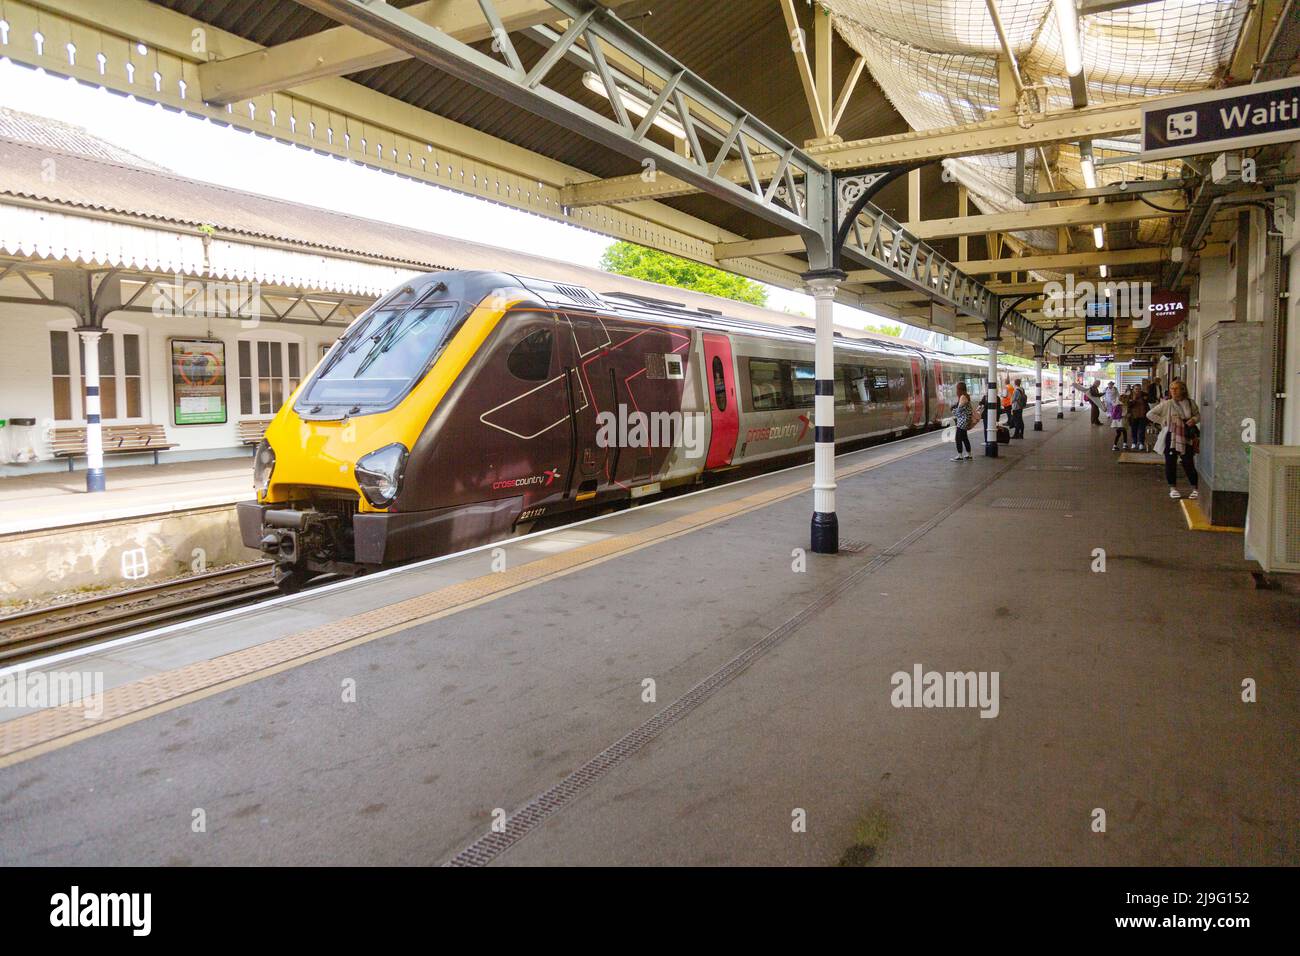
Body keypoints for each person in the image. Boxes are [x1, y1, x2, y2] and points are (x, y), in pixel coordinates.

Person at [1147, 380, 1201, 499]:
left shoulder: (1190, 403)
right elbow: (1150, 414)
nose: (1173, 391)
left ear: (1183, 390)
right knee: (1170, 462)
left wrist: (1194, 420)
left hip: (1186, 434)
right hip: (1171, 435)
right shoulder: (1167, 403)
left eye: (1176, 388)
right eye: (1172, 388)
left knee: (1188, 461)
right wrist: (1163, 421)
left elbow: (1198, 415)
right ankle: (1173, 488)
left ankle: (1195, 488)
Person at [951, 381, 975, 461]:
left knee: (958, 438)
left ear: (959, 389)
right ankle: (969, 455)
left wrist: (953, 411)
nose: (956, 390)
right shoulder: (966, 396)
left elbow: (959, 411)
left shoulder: (962, 397)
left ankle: (960, 456)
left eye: (957, 388)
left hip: (962, 421)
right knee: (964, 438)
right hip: (965, 420)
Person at [1127, 385, 1149, 451]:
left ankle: (1141, 443)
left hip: (1142, 415)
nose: (1138, 390)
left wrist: (1146, 398)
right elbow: (1128, 405)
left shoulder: (1144, 395)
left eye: (1139, 389)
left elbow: (1150, 399)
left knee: (1142, 430)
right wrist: (1134, 400)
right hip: (1133, 416)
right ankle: (1134, 442)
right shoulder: (1130, 395)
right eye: (1136, 389)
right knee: (1134, 430)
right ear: (1133, 389)